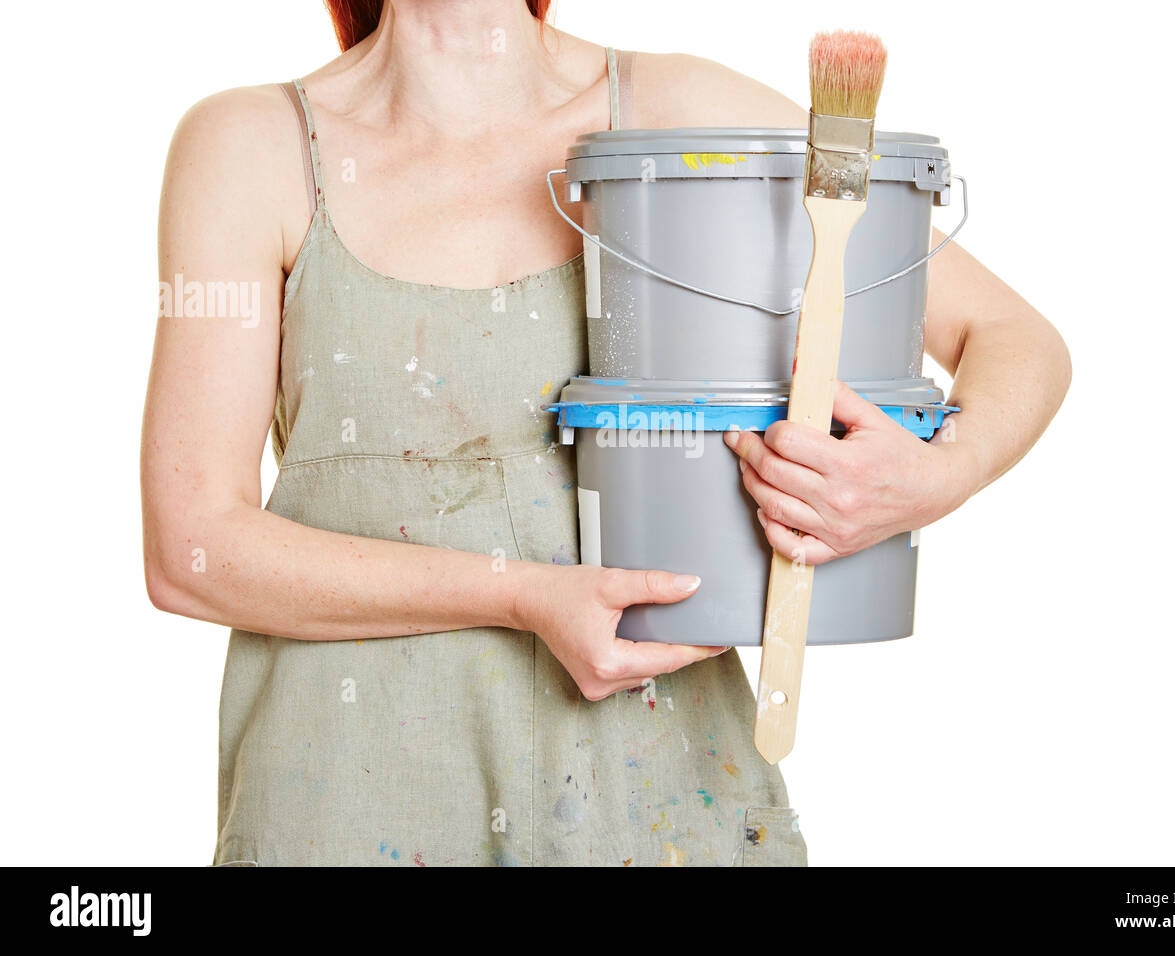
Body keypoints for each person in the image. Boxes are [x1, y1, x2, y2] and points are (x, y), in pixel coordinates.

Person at [141, 0, 1070, 866]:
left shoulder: (675, 116)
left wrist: (935, 475)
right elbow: (190, 549)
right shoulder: (249, 148)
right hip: (344, 807)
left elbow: (1014, 339)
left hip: (654, 811)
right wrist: (525, 598)